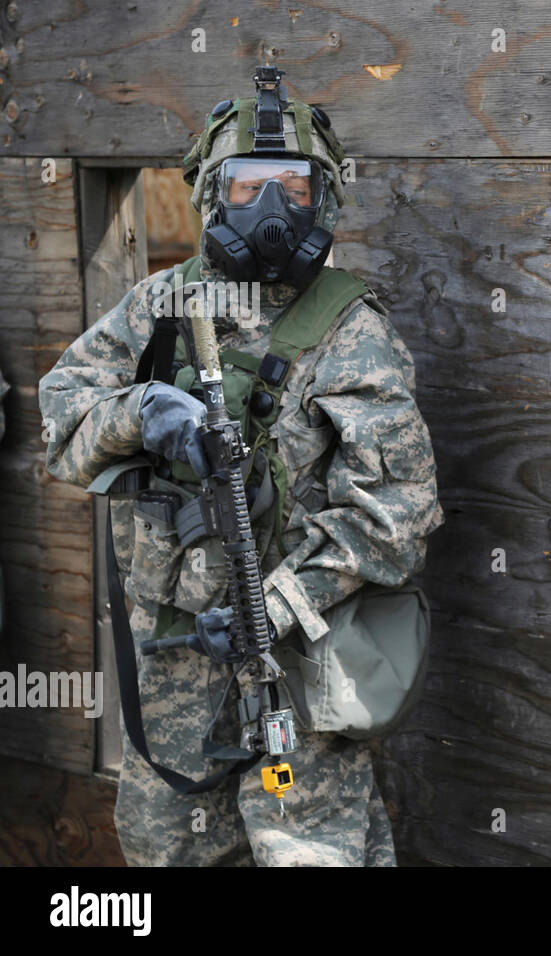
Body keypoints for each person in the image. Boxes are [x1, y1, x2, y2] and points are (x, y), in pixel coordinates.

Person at [38, 68, 442, 866]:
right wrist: (143, 415)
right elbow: (60, 419)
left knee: (310, 853)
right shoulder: (159, 306)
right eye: (248, 186)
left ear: (322, 199)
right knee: (165, 851)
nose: (268, 210)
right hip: (174, 669)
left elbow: (396, 521)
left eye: (291, 188)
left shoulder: (351, 332)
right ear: (211, 193)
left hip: (296, 669)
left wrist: (279, 607)